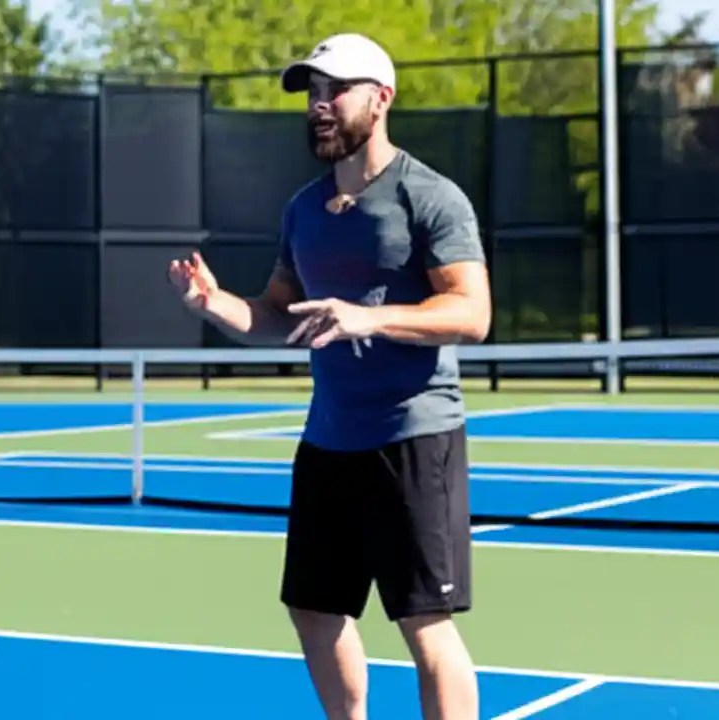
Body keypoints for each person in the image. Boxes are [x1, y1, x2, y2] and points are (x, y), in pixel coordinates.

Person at [167, 33, 492, 720]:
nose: (320, 105)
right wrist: (215, 304)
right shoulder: (303, 211)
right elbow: (277, 315)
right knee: (314, 611)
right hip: (328, 442)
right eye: (313, 93)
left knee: (423, 624)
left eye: (334, 90)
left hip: (413, 439)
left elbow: (472, 313)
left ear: (382, 99)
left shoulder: (429, 197)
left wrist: (369, 319)